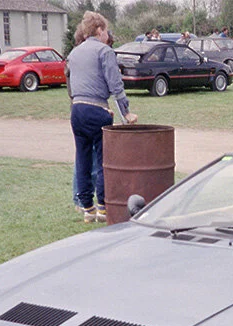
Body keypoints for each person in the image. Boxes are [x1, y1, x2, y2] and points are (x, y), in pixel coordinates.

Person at [67, 11, 138, 223]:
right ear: (99, 30)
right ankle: (103, 207)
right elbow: (115, 85)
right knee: (102, 161)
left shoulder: (74, 53)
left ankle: (86, 207)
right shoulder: (104, 51)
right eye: (106, 30)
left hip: (76, 110)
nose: (107, 34)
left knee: (82, 158)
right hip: (96, 109)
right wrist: (126, 112)